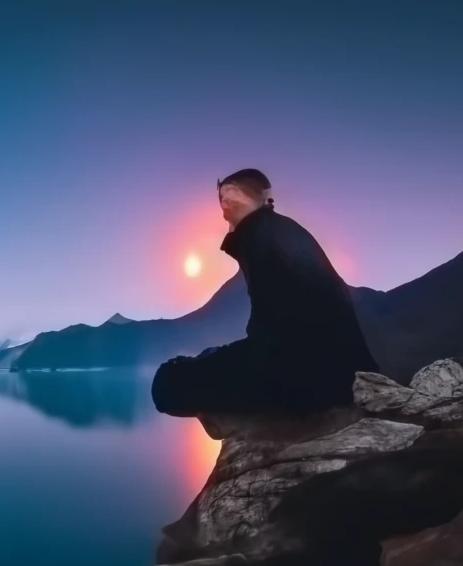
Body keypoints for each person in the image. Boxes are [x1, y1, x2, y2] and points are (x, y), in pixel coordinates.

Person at [151, 169, 379, 417]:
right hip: (340, 371)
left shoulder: (258, 236)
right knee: (201, 364)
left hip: (310, 381)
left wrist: (215, 365)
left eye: (228, 198)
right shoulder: (281, 230)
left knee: (167, 383)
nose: (223, 208)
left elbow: (276, 342)